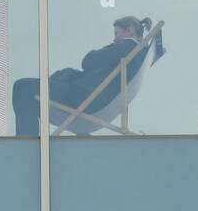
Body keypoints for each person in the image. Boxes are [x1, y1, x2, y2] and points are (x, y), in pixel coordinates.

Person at [11, 16, 158, 136]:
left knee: (23, 87)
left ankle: (26, 145)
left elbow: (88, 61)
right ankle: (29, 142)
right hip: (96, 101)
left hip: (85, 97)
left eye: (116, 33)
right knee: (36, 93)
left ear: (130, 30)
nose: (114, 39)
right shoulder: (139, 54)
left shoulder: (128, 46)